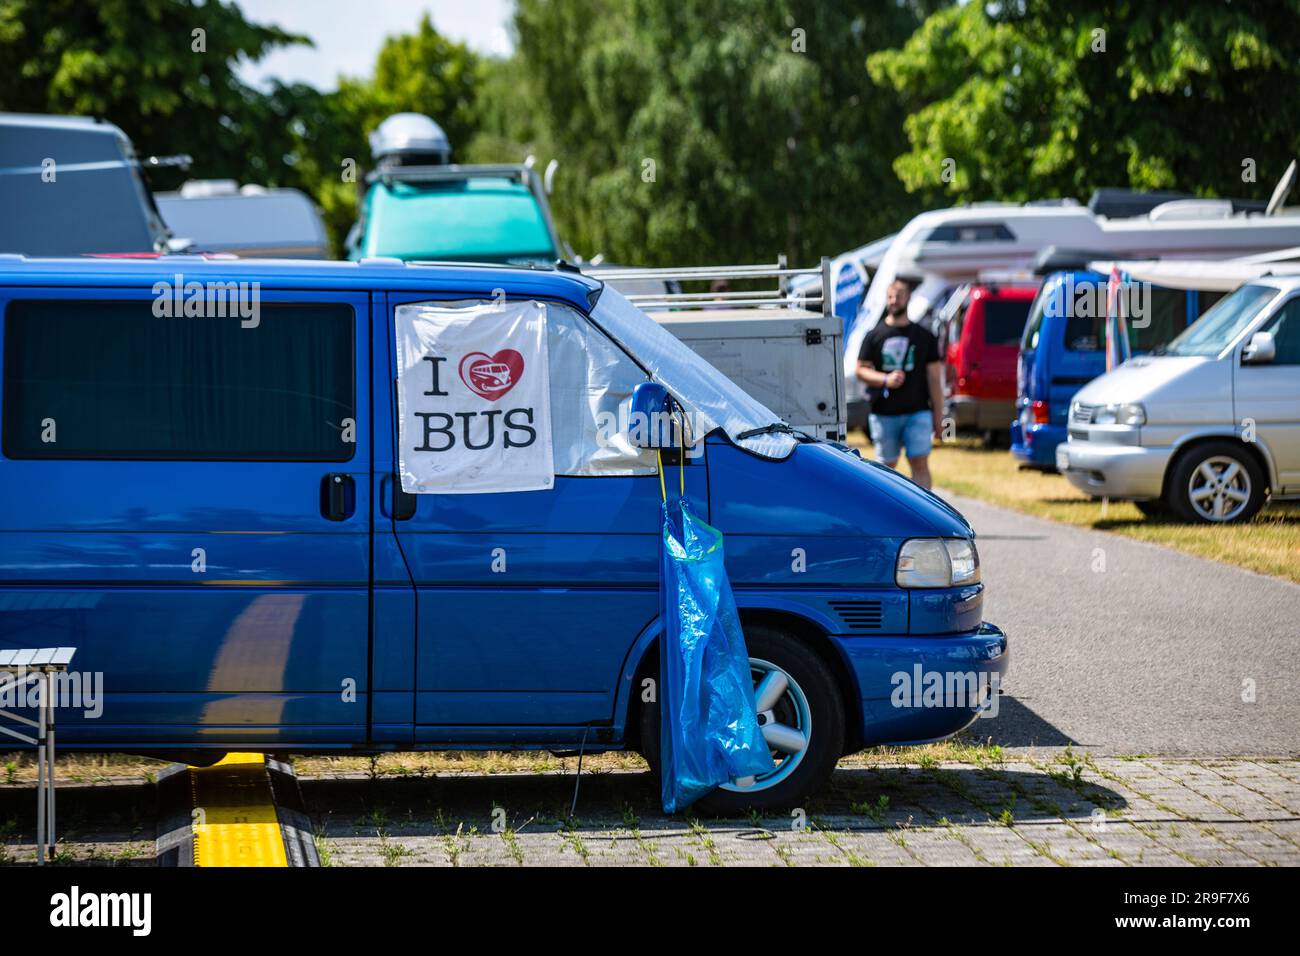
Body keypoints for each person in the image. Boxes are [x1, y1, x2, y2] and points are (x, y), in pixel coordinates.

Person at [855, 279, 944, 489]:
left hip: (918, 411)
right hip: (884, 413)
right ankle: (888, 516)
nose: (894, 301)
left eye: (899, 296)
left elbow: (934, 378)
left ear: (908, 298)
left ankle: (925, 515)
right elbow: (860, 370)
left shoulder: (925, 336)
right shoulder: (873, 335)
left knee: (920, 463)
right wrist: (885, 379)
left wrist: (939, 416)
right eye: (890, 297)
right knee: (886, 467)